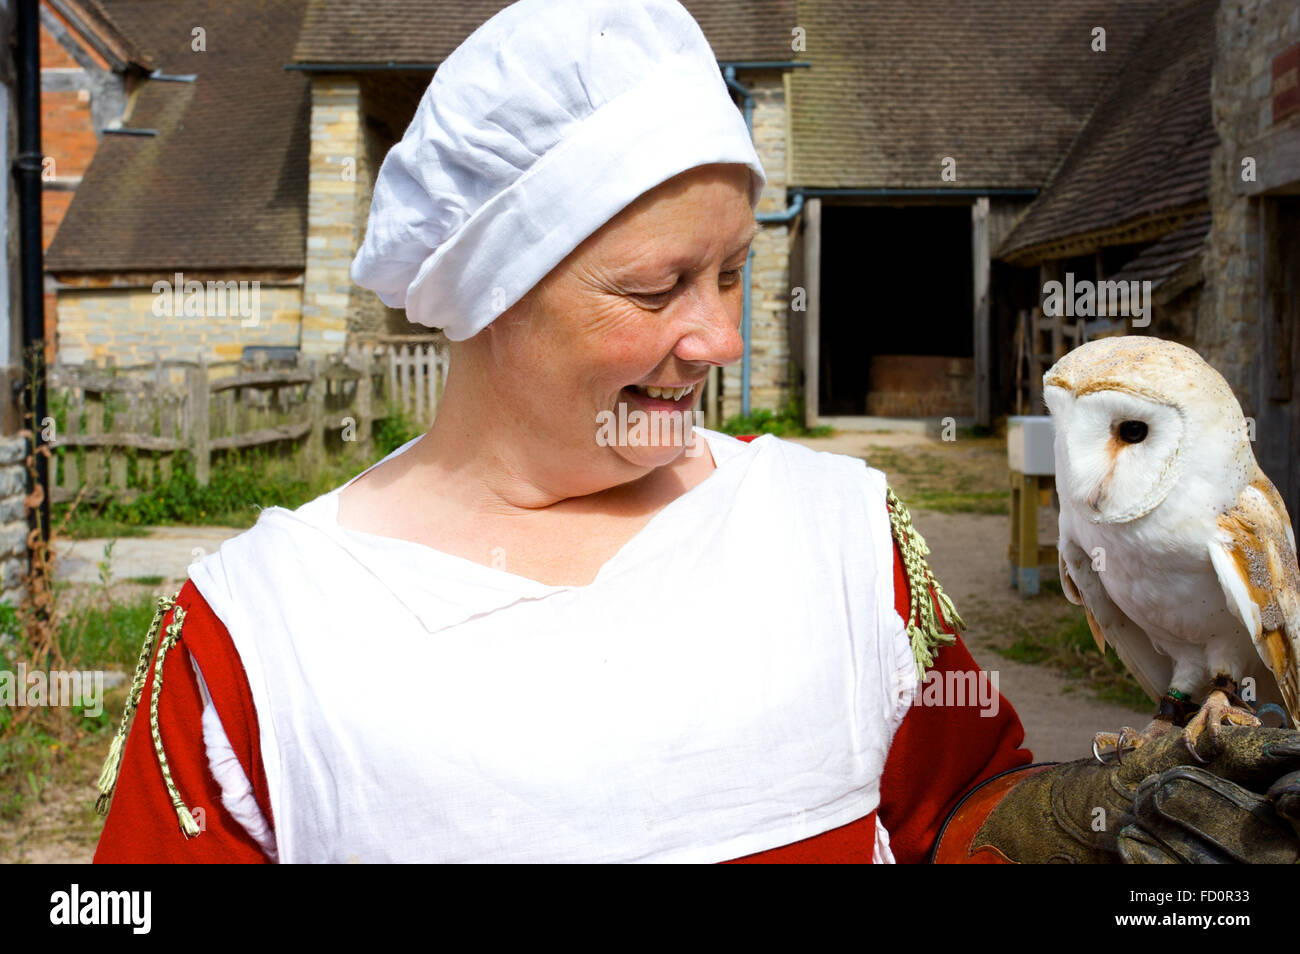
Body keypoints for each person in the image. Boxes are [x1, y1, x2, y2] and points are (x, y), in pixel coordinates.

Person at [93, 0, 1300, 864]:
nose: (717, 340)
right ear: (486, 294)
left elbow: (947, 817)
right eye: (656, 288)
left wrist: (1087, 828)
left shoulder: (836, 534)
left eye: (731, 274)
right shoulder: (258, 641)